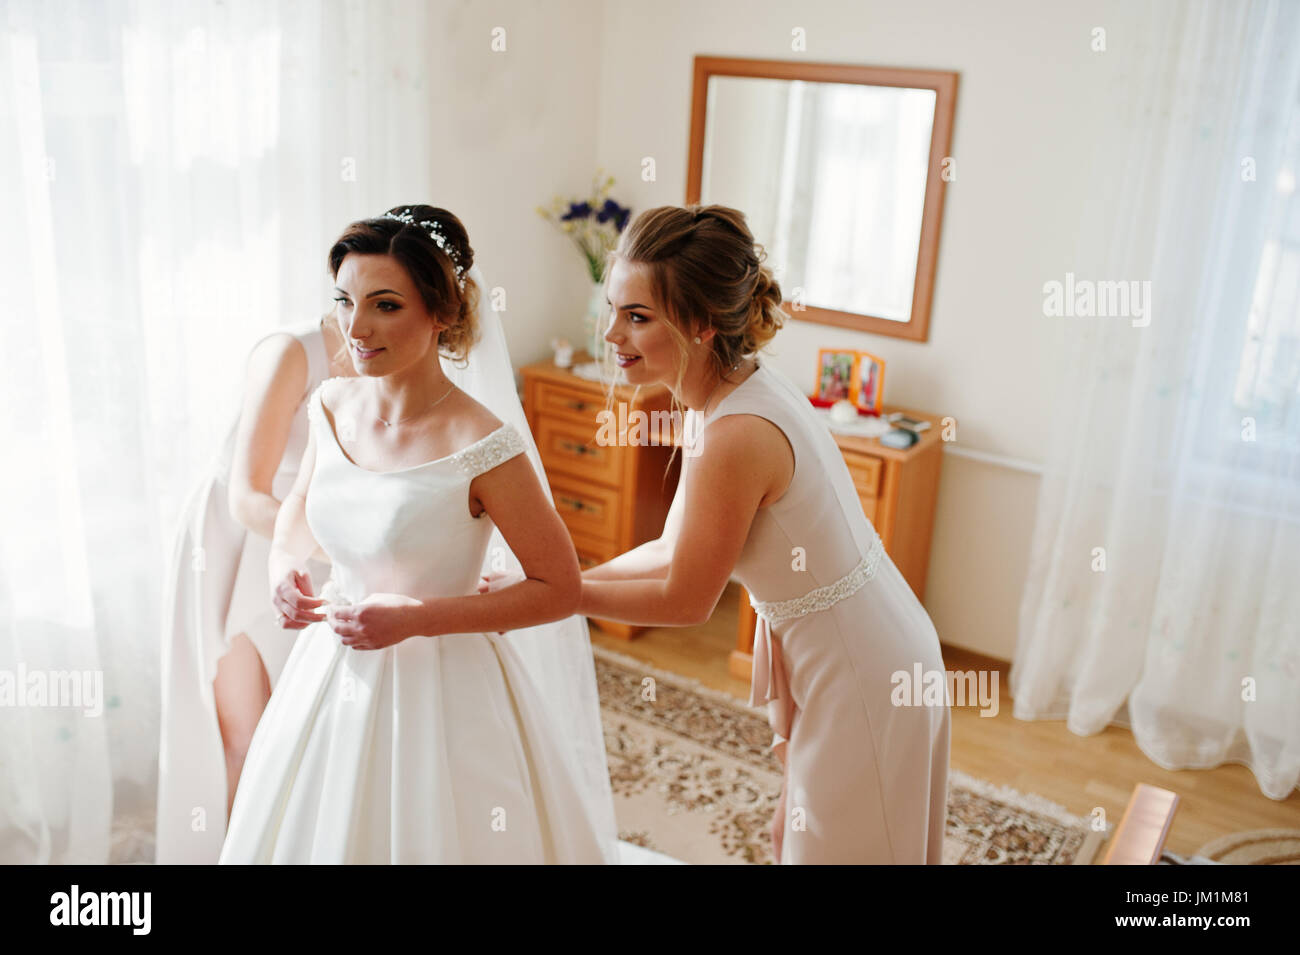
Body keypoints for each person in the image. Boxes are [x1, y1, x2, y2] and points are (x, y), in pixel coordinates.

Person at [218, 205, 616, 864]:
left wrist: (417, 619)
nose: (357, 326)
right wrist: (282, 569)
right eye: (344, 300)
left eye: (385, 304)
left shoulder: (485, 446)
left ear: (444, 313)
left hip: (448, 683)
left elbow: (559, 586)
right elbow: (297, 509)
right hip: (333, 671)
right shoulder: (330, 406)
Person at [578, 204, 950, 864]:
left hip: (863, 670)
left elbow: (686, 598)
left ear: (699, 323)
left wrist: (559, 599)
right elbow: (670, 550)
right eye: (613, 308)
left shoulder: (736, 433)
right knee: (797, 838)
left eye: (637, 316)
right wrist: (567, 580)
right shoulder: (726, 392)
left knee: (837, 849)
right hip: (863, 645)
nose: (612, 333)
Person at [156, 310, 353, 864]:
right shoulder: (291, 352)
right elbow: (247, 496)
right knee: (246, 734)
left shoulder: (401, 357)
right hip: (237, 542)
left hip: (319, 547)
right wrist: (349, 550)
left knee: (300, 734)